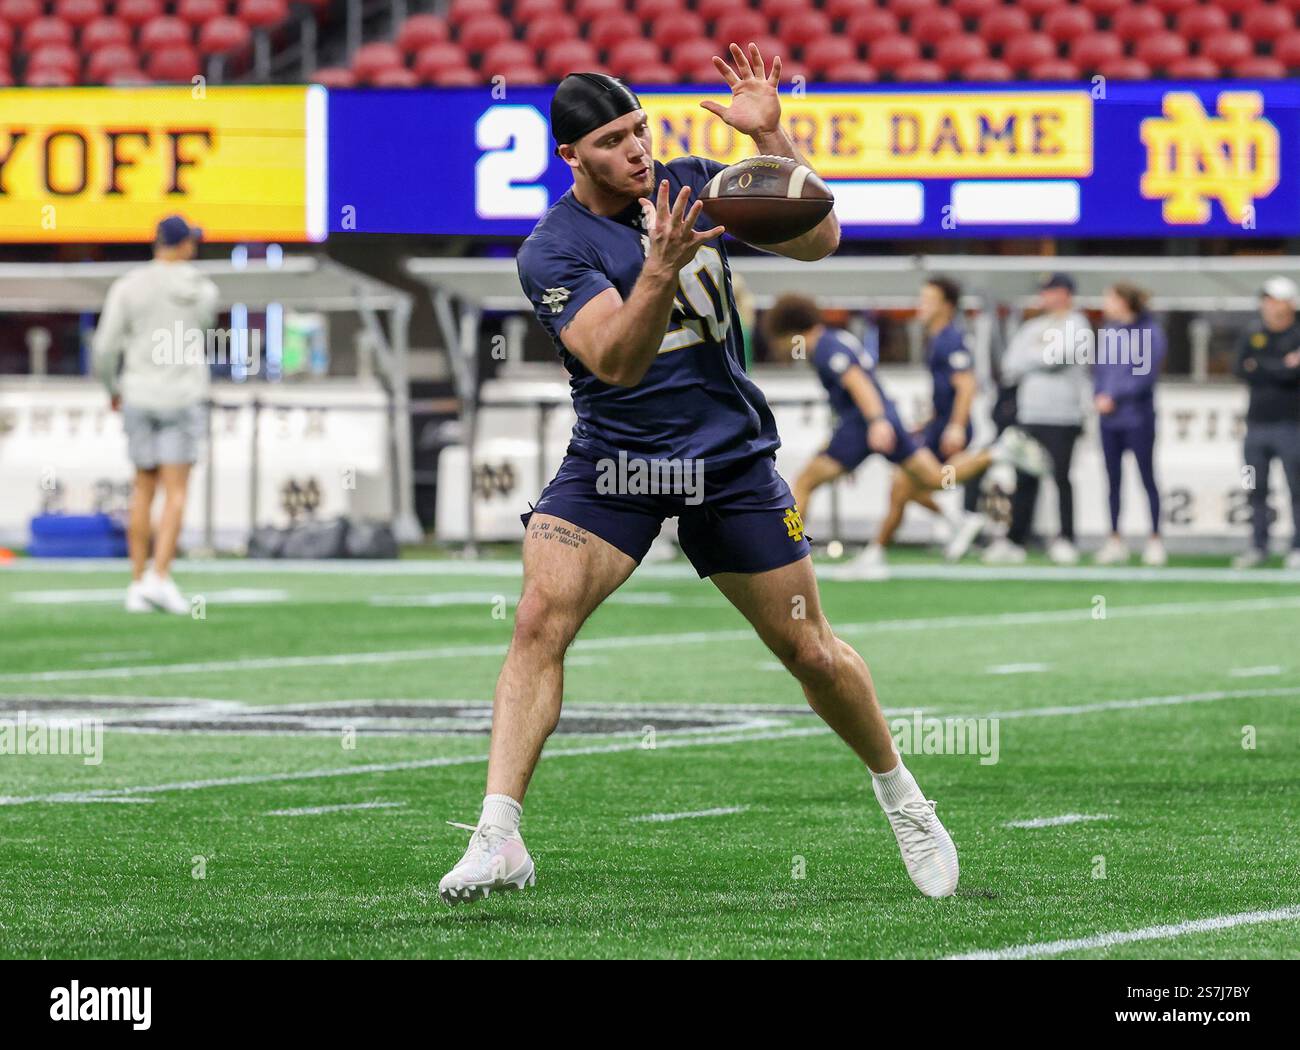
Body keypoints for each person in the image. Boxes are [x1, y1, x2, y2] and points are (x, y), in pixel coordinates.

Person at [439, 49, 964, 905]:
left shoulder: (695, 182)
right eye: (613, 141)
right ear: (571, 157)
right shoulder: (552, 249)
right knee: (538, 618)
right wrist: (656, 264)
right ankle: (499, 835)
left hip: (727, 462)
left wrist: (772, 136)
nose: (638, 151)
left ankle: (902, 795)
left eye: (640, 128)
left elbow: (821, 240)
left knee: (810, 651)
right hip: (618, 461)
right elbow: (613, 359)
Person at [770, 294, 1047, 580]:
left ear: (789, 331)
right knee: (933, 479)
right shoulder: (835, 340)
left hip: (866, 423)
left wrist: (876, 423)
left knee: (805, 482)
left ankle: (789, 561)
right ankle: (997, 453)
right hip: (880, 419)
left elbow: (858, 382)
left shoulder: (824, 346)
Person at [92, 215, 218, 614]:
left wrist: (113, 389)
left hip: (139, 394)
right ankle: (159, 577)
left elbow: (105, 348)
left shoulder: (128, 286)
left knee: (142, 490)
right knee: (176, 492)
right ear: (183, 245)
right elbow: (205, 327)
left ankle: (136, 582)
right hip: (182, 394)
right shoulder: (201, 289)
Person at [987, 273, 1091, 565]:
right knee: (1024, 478)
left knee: (1061, 478)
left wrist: (1033, 357)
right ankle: (1015, 541)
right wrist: (1038, 356)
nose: (1046, 297)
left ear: (1066, 293)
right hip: (1030, 414)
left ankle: (1066, 539)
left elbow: (1055, 357)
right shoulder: (1033, 326)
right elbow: (1010, 364)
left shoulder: (1078, 324)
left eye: (1052, 291)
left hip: (1064, 415)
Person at [1093, 283, 1168, 566]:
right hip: (1109, 420)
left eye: (1110, 298)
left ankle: (1155, 539)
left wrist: (1114, 396)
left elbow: (1145, 374)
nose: (1106, 303)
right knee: (1112, 480)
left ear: (1125, 301)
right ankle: (1114, 539)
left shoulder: (1151, 333)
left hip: (1138, 418)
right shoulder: (1109, 331)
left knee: (1147, 477)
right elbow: (1100, 371)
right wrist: (1098, 396)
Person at [1232, 276, 1300, 570]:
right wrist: (1280, 366)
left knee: (1296, 488)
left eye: (1275, 300)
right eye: (1266, 300)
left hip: (1292, 425)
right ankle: (1258, 545)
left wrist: (1260, 366)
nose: (1268, 306)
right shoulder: (1252, 333)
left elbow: (1290, 375)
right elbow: (1240, 367)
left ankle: (1297, 547)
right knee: (1254, 487)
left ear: (1290, 303)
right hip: (1256, 426)